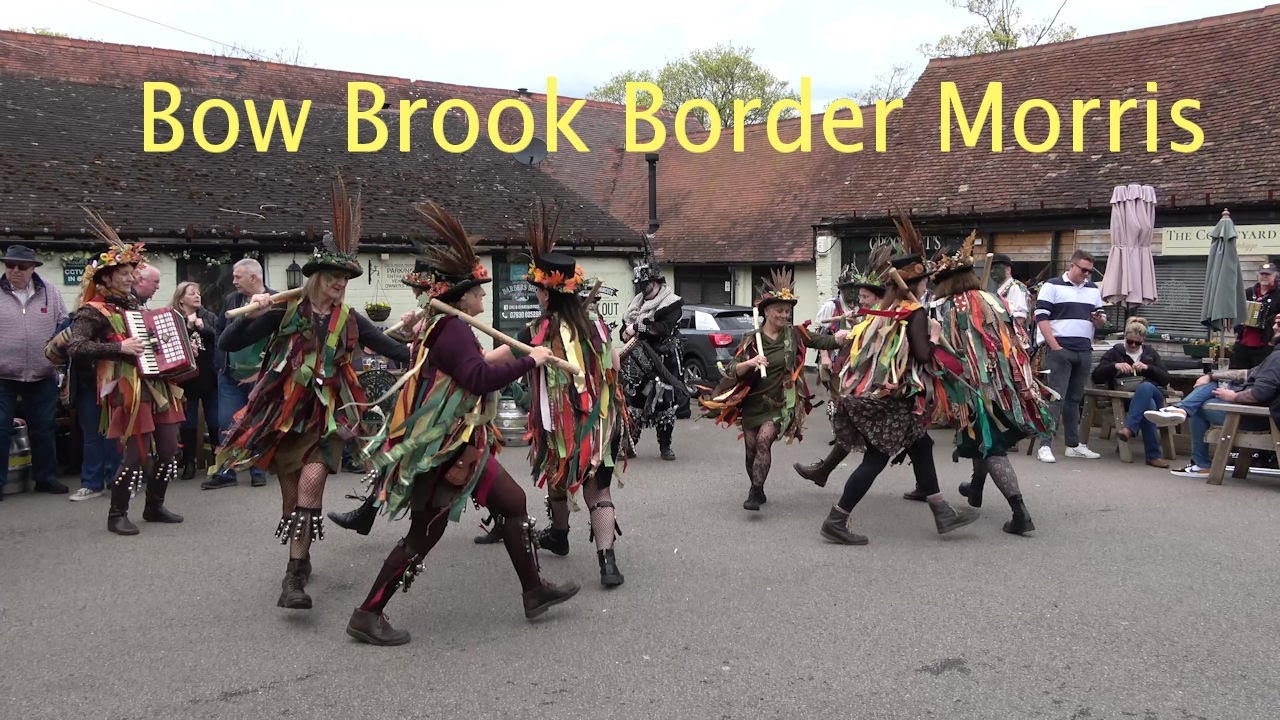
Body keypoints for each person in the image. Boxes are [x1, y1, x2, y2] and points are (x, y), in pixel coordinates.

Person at [346, 202, 576, 646]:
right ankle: (367, 613)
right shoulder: (450, 329)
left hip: (462, 444)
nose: (484, 298)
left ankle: (533, 591)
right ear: (461, 294)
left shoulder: (442, 324)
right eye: (479, 291)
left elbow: (467, 373)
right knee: (420, 538)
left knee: (512, 503)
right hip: (444, 452)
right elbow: (477, 378)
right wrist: (530, 360)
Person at [213, 178, 411, 610]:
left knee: (311, 483)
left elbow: (393, 349)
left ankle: (292, 581)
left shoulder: (352, 319)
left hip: (327, 420)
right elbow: (226, 342)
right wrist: (255, 314)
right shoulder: (283, 312)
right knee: (293, 499)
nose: (342, 283)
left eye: (346, 277)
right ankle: (299, 562)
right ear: (318, 276)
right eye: (336, 276)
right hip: (284, 417)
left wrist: (425, 341)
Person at [817, 216, 980, 545]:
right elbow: (922, 355)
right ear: (918, 283)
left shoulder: (891, 308)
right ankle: (836, 519)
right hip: (896, 401)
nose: (927, 286)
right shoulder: (914, 312)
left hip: (892, 397)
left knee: (923, 445)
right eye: (925, 281)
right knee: (875, 460)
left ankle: (941, 511)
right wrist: (934, 335)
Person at [499, 216, 628, 587]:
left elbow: (497, 362)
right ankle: (607, 562)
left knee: (558, 475)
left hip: (560, 425)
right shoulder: (598, 326)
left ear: (545, 293)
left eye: (538, 289)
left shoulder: (534, 332)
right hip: (602, 426)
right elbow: (615, 366)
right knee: (597, 489)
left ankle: (559, 533)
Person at [66, 211, 185, 534]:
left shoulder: (134, 306)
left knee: (170, 446)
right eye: (123, 271)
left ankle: (154, 505)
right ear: (104, 278)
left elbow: (149, 342)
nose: (131, 276)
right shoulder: (93, 311)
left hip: (156, 385)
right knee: (135, 454)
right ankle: (117, 513)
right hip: (126, 389)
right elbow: (76, 347)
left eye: (132, 270)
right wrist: (118, 348)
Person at [928, 233, 1051, 536]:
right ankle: (976, 488)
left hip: (974, 386)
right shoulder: (995, 299)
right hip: (1005, 383)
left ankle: (1019, 512)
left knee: (991, 444)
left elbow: (946, 351)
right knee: (982, 438)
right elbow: (1018, 340)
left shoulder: (946, 307)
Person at [702, 268, 848, 511]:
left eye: (787, 311)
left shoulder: (794, 334)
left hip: (780, 402)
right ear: (766, 311)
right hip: (753, 403)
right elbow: (732, 369)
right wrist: (751, 362)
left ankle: (754, 491)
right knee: (751, 451)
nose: (784, 314)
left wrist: (839, 339)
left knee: (763, 440)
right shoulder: (752, 338)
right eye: (779, 310)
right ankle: (758, 488)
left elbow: (820, 341)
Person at [327, 258, 434, 536]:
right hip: (424, 396)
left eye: (417, 288)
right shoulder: (429, 311)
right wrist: (411, 331)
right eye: (413, 288)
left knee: (462, 462)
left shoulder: (443, 313)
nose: (414, 293)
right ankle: (368, 514)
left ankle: (506, 514)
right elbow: (416, 352)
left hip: (441, 401)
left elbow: (430, 352)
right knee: (397, 455)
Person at [1146, 312, 1280, 478]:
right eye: (1275, 322)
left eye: (1279, 324)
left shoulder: (1277, 358)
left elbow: (1260, 392)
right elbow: (1247, 373)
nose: (1274, 326)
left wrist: (1234, 397)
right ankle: (1182, 410)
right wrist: (1212, 375)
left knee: (1199, 408)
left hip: (1253, 419)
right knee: (1211, 386)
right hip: (1259, 416)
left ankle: (1200, 460)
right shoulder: (1275, 357)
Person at [794, 255, 888, 488]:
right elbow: (821, 333)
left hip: (864, 371)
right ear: (841, 289)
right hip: (840, 363)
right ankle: (839, 438)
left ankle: (829, 463)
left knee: (851, 410)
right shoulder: (831, 306)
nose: (855, 295)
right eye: (850, 289)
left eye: (860, 293)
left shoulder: (872, 312)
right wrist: (825, 357)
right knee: (842, 403)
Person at [0, 244, 70, 498]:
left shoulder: (50, 292)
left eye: (21, 266)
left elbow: (64, 323)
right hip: (3, 375)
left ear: (32, 269)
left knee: (43, 428)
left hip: (42, 373)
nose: (15, 271)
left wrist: (57, 350)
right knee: (0, 427)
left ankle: (45, 478)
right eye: (10, 265)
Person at [205, 259, 274, 489]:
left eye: (237, 276)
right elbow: (221, 332)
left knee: (259, 423)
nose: (233, 281)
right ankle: (225, 473)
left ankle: (258, 470)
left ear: (253, 277)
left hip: (262, 378)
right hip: (229, 376)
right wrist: (219, 363)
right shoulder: (231, 301)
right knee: (226, 423)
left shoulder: (277, 300)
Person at [1034, 249, 1107, 463]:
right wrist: (1054, 345)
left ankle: (1072, 445)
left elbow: (1102, 318)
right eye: (1083, 270)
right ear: (1071, 266)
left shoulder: (1092, 289)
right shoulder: (1052, 286)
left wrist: (1099, 320)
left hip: (1084, 348)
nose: (1086, 274)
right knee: (1056, 397)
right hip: (1061, 347)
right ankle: (1045, 445)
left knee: (1075, 399)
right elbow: (1040, 317)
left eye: (1090, 271)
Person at [619, 247, 684, 461]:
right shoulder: (636, 304)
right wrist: (626, 333)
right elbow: (625, 328)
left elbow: (662, 329)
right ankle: (630, 443)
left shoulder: (671, 302)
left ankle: (665, 446)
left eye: (644, 285)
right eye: (639, 286)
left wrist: (638, 329)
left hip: (663, 358)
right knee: (634, 400)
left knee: (664, 403)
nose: (641, 289)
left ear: (656, 282)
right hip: (639, 360)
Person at [1090, 317, 1171, 469]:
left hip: (1153, 392)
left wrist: (1148, 368)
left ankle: (1129, 429)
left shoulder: (1150, 354)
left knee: (1145, 388)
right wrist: (1114, 366)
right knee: (1148, 406)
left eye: (1138, 343)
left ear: (1143, 341)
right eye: (1130, 342)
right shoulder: (1115, 353)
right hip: (1127, 398)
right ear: (1125, 338)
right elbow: (1096, 376)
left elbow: (1165, 378)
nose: (1133, 345)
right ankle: (1153, 456)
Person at [168, 281, 219, 480]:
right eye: (192, 293)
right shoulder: (174, 318)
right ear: (181, 299)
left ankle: (217, 462)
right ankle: (189, 461)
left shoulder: (209, 317)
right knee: (187, 423)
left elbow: (218, 338)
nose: (197, 296)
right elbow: (169, 344)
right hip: (186, 379)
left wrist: (203, 328)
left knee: (214, 420)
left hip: (209, 376)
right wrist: (188, 328)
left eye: (199, 293)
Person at [1233, 262, 1280, 370]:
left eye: (1268, 274)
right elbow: (1236, 312)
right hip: (1243, 344)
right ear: (1257, 275)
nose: (1265, 276)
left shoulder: (1278, 294)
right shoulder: (1249, 292)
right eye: (1262, 274)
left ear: (1275, 275)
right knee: (1240, 374)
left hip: (1265, 345)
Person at [988, 253, 1032, 347]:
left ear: (1008, 269)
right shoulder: (1000, 291)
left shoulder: (1016, 288)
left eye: (996, 268)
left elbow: (1020, 319)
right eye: (991, 269)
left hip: (1014, 344)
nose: (992, 271)